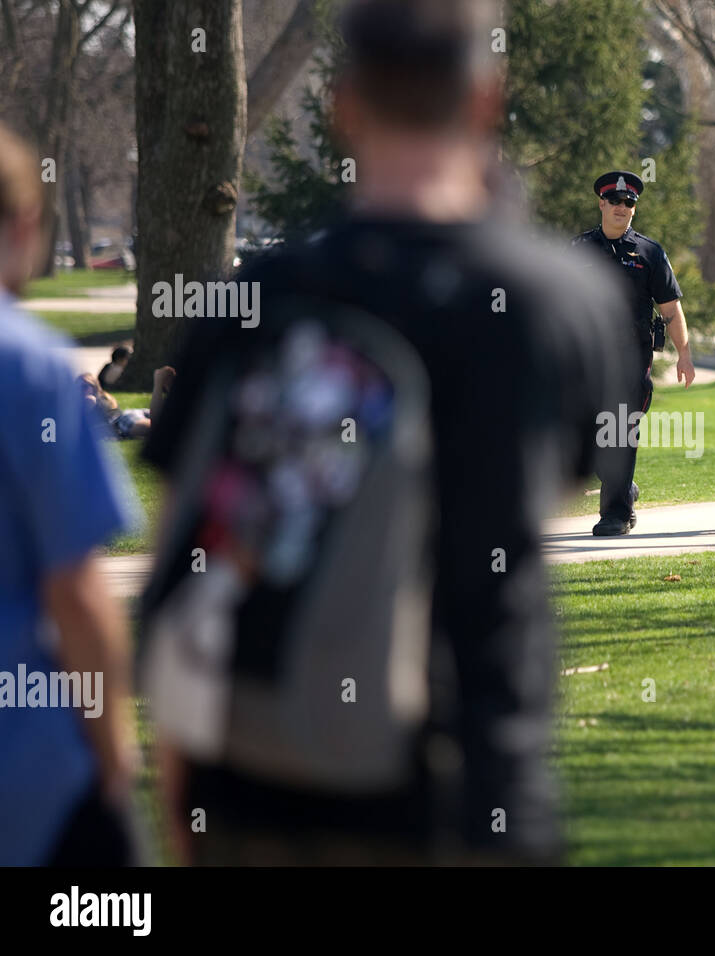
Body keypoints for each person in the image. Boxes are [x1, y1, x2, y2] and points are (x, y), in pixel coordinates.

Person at [141, 0, 634, 865]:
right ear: (487, 99)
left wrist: (189, 808)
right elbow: (547, 499)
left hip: (261, 789)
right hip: (470, 796)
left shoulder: (262, 299)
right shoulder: (562, 304)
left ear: (344, 103)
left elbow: (191, 561)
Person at [0, 120, 140, 865]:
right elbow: (78, 593)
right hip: (27, 769)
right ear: (25, 226)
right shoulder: (28, 370)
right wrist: (113, 744)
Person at [572, 170, 695, 536]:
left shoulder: (649, 252)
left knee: (620, 434)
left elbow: (670, 308)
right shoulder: (579, 249)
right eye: (615, 201)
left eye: (629, 203)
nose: (622, 208)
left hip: (631, 359)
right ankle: (624, 487)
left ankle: (615, 515)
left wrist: (685, 354)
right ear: (602, 204)